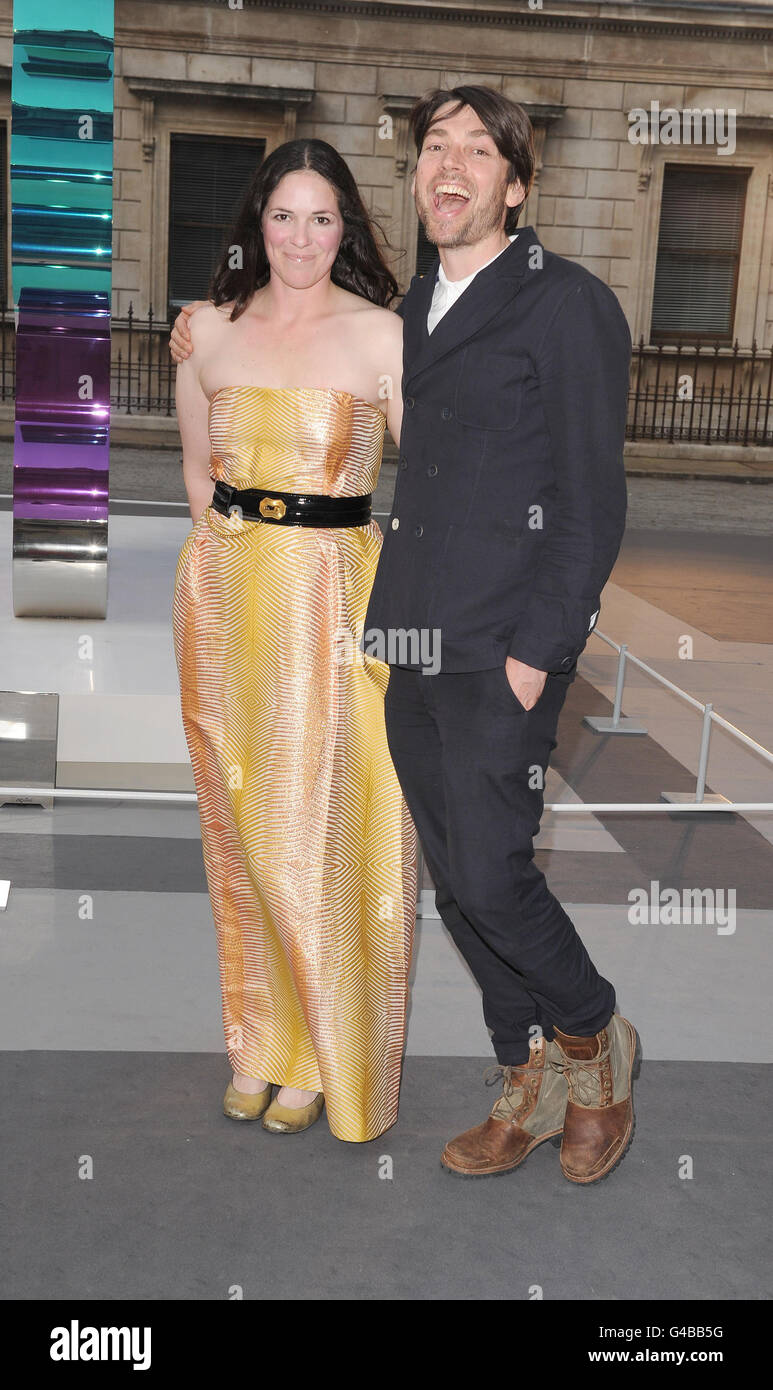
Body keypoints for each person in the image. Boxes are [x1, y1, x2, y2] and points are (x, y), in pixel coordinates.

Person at [363, 85, 639, 1184]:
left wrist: (538, 653)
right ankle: (525, 1071)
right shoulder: (414, 299)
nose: (451, 164)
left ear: (514, 187)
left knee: (490, 872)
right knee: (455, 879)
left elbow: (589, 503)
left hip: (501, 653)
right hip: (416, 643)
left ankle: (595, 1048)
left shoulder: (565, 305)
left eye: (478, 149)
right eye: (435, 145)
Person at [171, 137, 416, 1144]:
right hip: (228, 598)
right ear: (255, 225)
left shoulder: (383, 338)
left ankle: (322, 1054)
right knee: (239, 832)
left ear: (346, 228)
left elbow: (439, 479)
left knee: (317, 828)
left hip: (335, 603)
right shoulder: (206, 332)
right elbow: (198, 477)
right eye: (283, 216)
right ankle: (260, 1045)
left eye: (322, 218)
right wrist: (220, 579)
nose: (301, 237)